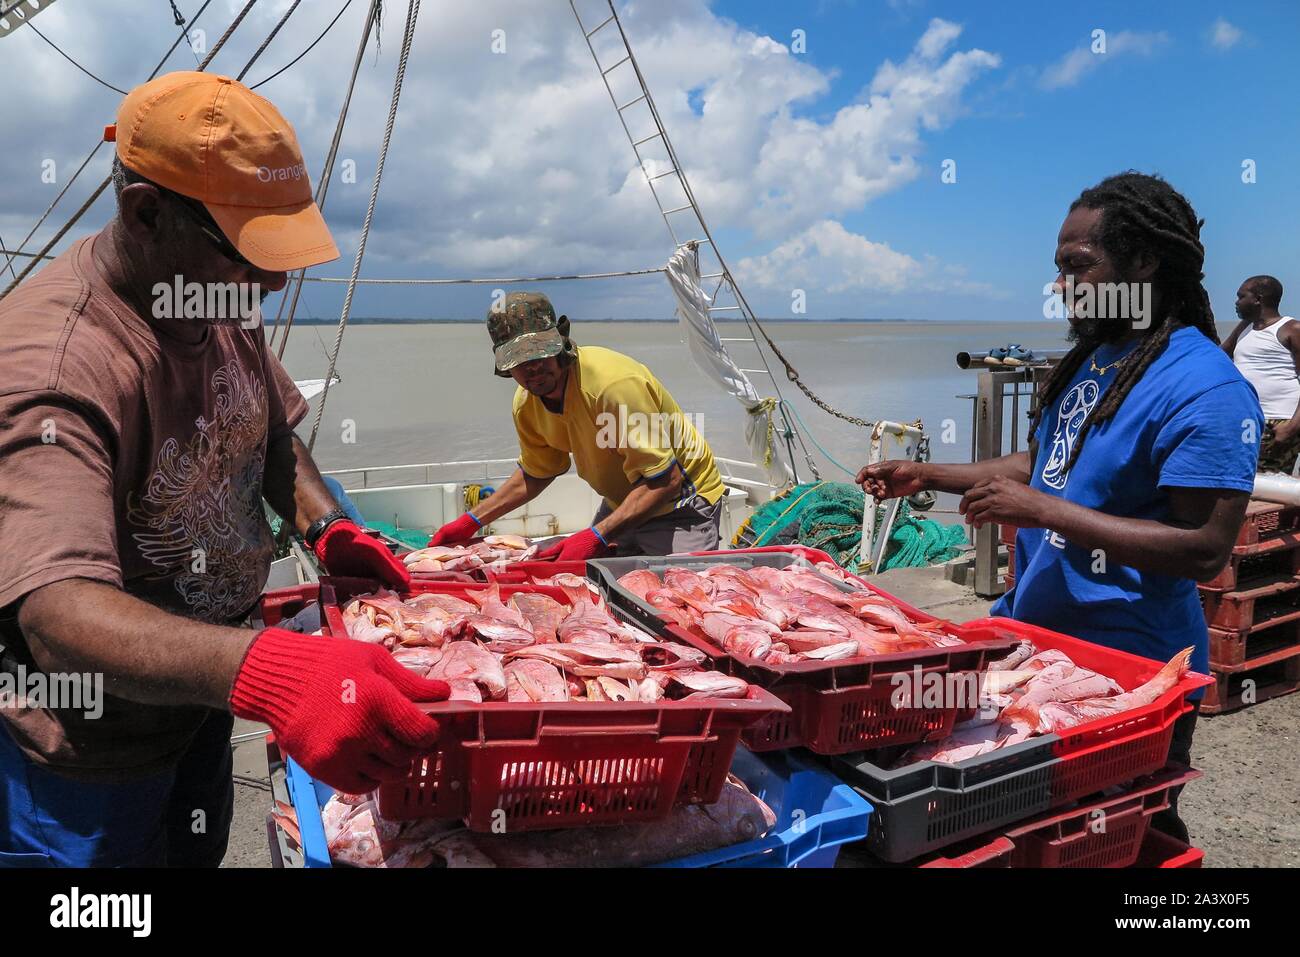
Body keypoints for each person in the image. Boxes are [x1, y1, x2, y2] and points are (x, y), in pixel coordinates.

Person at [0, 72, 450, 868]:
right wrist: (268, 673)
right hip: (92, 756)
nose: (272, 287)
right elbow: (58, 615)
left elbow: (271, 431)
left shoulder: (209, 296)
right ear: (146, 213)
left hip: (204, 695)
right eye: (251, 255)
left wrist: (327, 523)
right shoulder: (58, 366)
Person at [858, 172, 1262, 842]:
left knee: (1129, 838)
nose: (1060, 286)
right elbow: (1046, 463)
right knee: (1028, 834)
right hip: (1036, 646)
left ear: (1142, 262)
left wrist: (1043, 511)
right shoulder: (1095, 358)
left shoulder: (1205, 385)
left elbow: (1204, 546)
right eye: (1058, 268)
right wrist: (927, 472)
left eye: (1078, 267)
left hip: (1130, 677)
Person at [427, 292, 725, 559]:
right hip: (625, 498)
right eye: (520, 361)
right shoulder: (526, 405)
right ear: (506, 367)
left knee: (677, 598)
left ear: (560, 345)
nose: (533, 368)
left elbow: (665, 479)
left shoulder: (613, 386)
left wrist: (597, 534)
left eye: (540, 354)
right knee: (590, 584)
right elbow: (536, 471)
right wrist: (470, 522)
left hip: (681, 502)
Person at [1222, 276, 1299, 473]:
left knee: (1269, 485)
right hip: (1246, 418)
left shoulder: (1291, 329)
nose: (1236, 302)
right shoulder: (1245, 327)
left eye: (1241, 296)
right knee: (1241, 481)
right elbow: (1220, 357)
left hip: (1278, 421)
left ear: (1258, 298)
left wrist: (1291, 427)